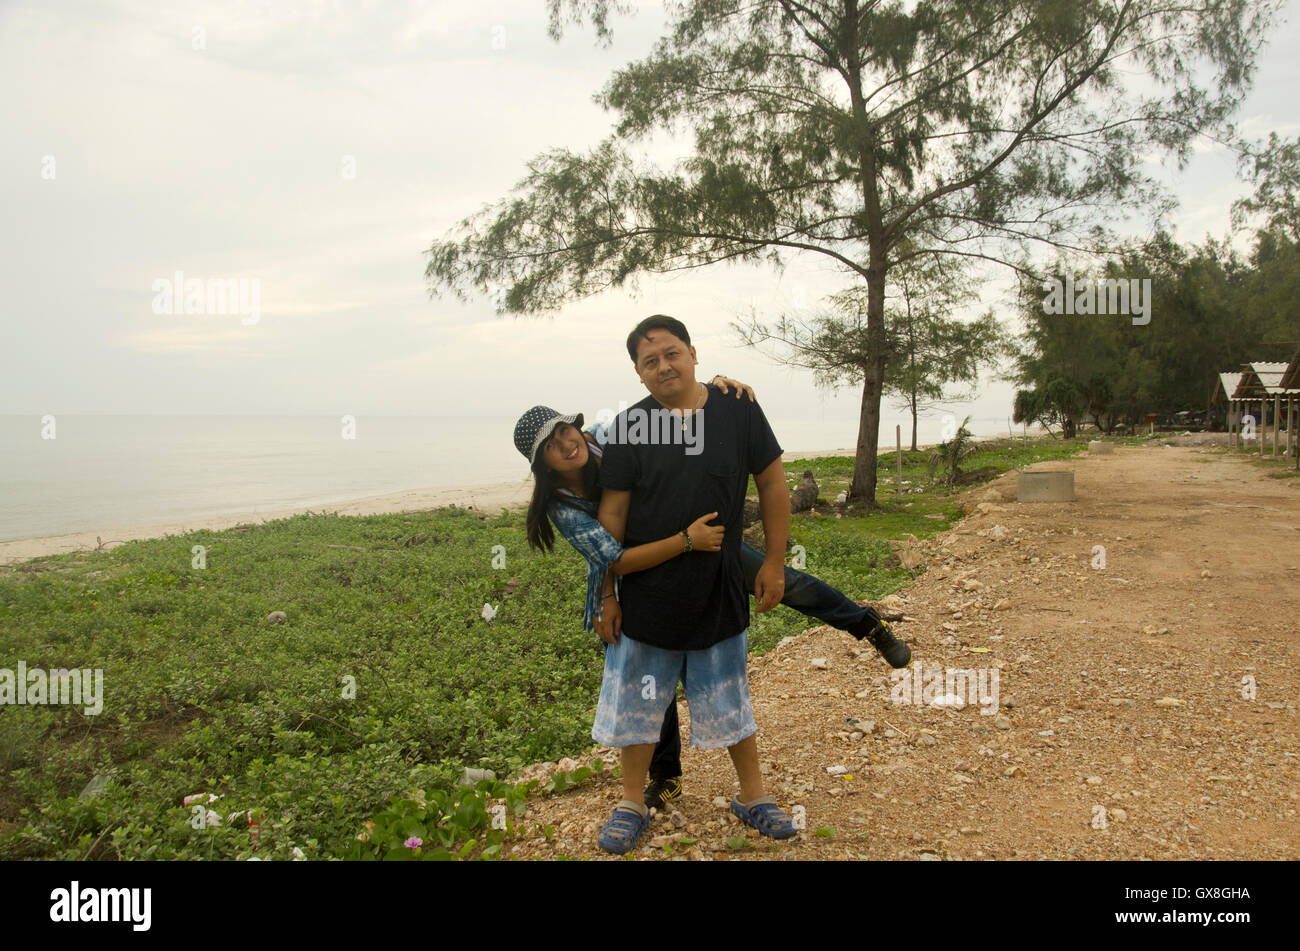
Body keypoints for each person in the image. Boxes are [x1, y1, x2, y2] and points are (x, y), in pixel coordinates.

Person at [515, 405, 910, 822]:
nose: (566, 445)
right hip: (646, 564)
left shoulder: (609, 436)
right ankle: (665, 775)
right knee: (650, 666)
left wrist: (726, 391)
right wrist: (608, 598)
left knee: (783, 581)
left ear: (576, 427)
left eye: (564, 432)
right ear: (542, 464)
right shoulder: (564, 507)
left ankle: (866, 623)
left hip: (702, 544)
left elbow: (677, 411)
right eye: (552, 446)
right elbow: (609, 557)